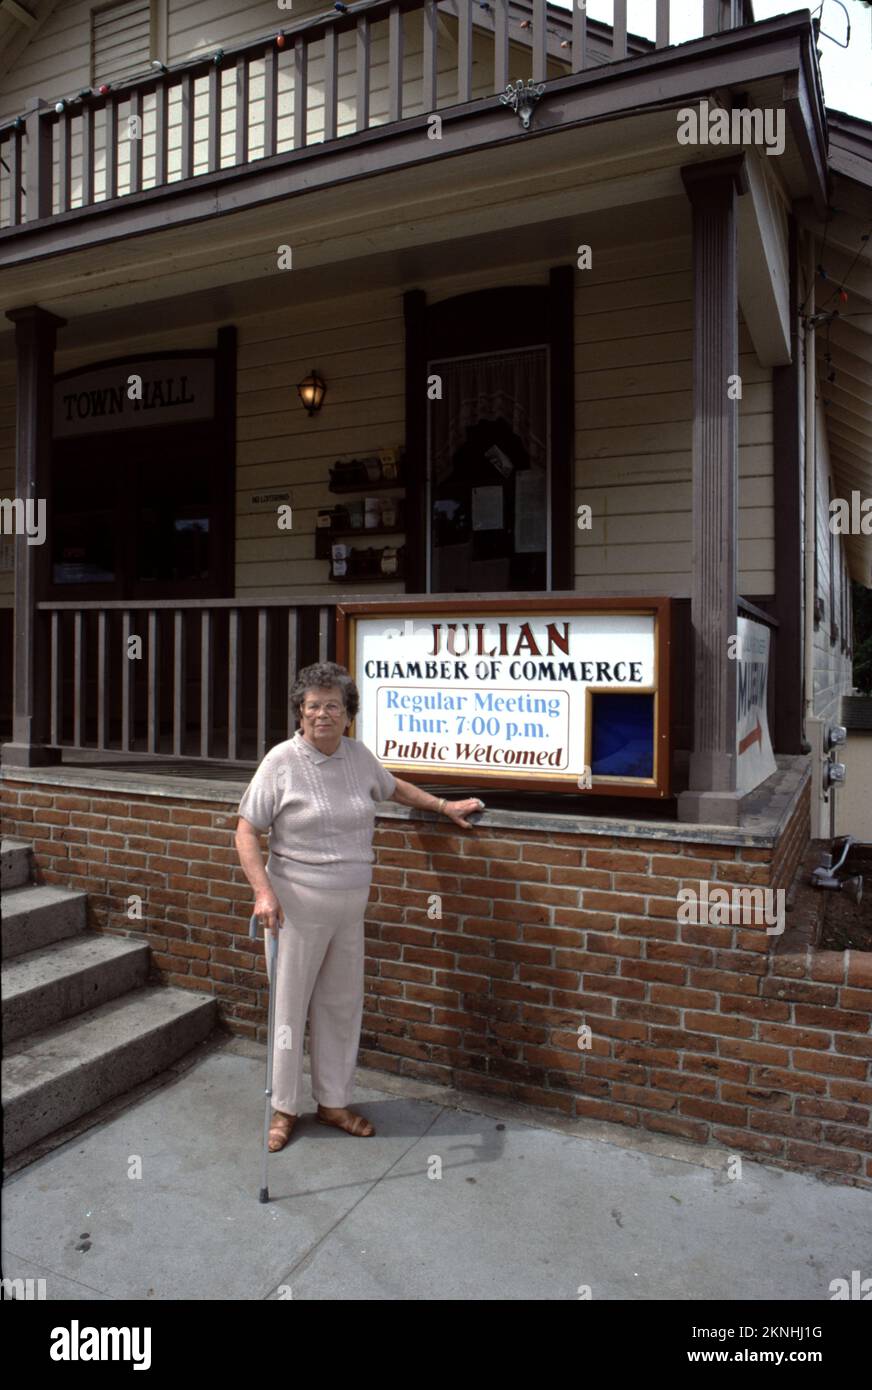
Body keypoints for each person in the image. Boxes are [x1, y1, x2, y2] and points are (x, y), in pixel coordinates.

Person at [234, 661, 483, 1152]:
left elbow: (392, 788)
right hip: (296, 906)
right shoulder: (281, 761)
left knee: (341, 1006)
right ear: (300, 714)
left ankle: (333, 1102)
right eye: (313, 707)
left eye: (333, 706)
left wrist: (442, 806)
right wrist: (263, 892)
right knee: (289, 1010)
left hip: (351, 904)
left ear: (348, 714)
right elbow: (246, 829)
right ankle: (284, 1108)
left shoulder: (358, 756)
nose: (322, 714)